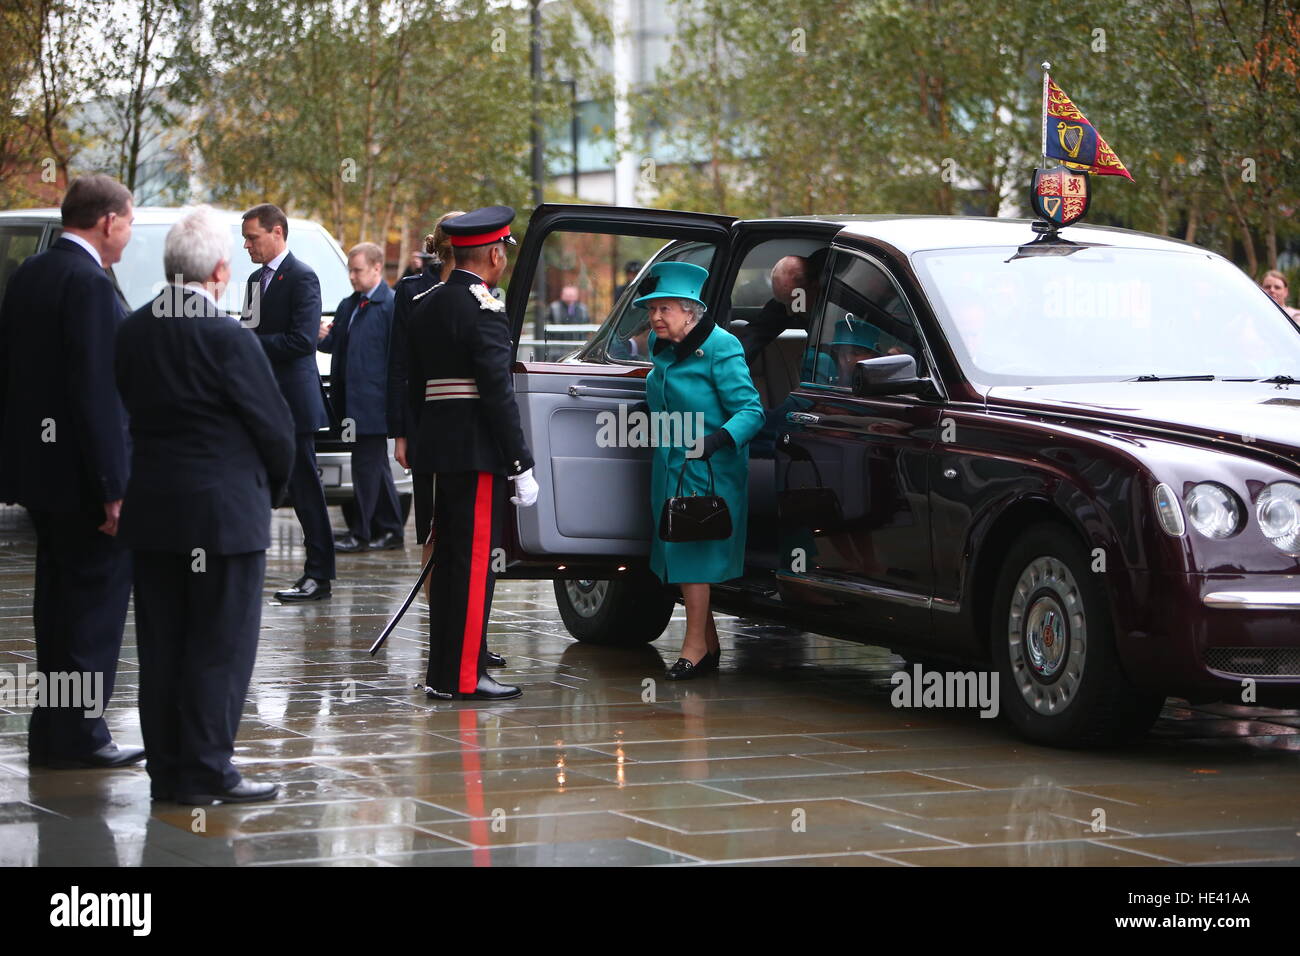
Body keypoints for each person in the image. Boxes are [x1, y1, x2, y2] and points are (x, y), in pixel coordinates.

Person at [116, 206, 295, 805]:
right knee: (219, 646)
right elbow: (276, 430)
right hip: (223, 519)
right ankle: (208, 769)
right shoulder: (227, 338)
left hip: (154, 514)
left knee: (161, 647)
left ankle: (168, 769)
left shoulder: (133, 330)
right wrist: (265, 494)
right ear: (220, 271)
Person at [0, 173, 142, 770]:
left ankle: (52, 731)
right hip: (85, 479)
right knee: (91, 610)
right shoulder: (87, 283)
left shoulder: (30, 272)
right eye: (130, 222)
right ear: (108, 220)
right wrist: (114, 488)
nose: (129, 234)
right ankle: (81, 735)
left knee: (56, 607)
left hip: (40, 474)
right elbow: (96, 393)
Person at [406, 206, 538, 700]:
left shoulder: (428, 302)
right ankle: (464, 677)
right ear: (494, 254)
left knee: (450, 561)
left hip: (441, 449)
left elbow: (416, 384)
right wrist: (520, 462)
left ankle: (444, 674)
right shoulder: (483, 307)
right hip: (478, 450)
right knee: (475, 562)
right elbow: (496, 394)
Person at [639, 261, 765, 680]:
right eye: (652, 309)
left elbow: (751, 410)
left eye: (665, 309)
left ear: (690, 312)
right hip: (670, 468)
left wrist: (716, 442)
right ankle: (708, 644)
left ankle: (693, 646)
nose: (656, 317)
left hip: (709, 469)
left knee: (693, 556)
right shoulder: (663, 350)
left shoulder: (720, 347)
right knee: (679, 554)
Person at [241, 203, 335, 601]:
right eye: (245, 239)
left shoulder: (302, 277)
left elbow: (301, 341)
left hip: (293, 403)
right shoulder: (252, 280)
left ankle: (319, 574)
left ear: (277, 232)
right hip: (260, 400)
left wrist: (247, 342)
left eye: (253, 237)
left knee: (304, 489)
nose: (247, 246)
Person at [390, 211, 461, 593]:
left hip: (463, 425)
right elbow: (399, 365)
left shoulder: (481, 290)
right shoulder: (412, 291)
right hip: (425, 419)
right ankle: (439, 620)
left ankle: (470, 634)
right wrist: (401, 432)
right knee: (432, 524)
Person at [318, 241, 403, 552]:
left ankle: (361, 533)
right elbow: (337, 345)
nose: (352, 276)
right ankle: (392, 531)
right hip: (351, 403)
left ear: (377, 268)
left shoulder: (390, 306)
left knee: (365, 468)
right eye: (350, 270)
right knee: (375, 466)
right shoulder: (349, 305)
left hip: (373, 404)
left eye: (358, 270)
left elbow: (397, 358)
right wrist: (322, 338)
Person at [735, 253, 824, 363]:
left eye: (793, 304)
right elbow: (754, 336)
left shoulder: (839, 304)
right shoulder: (787, 301)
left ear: (815, 287)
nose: (789, 313)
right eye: (783, 303)